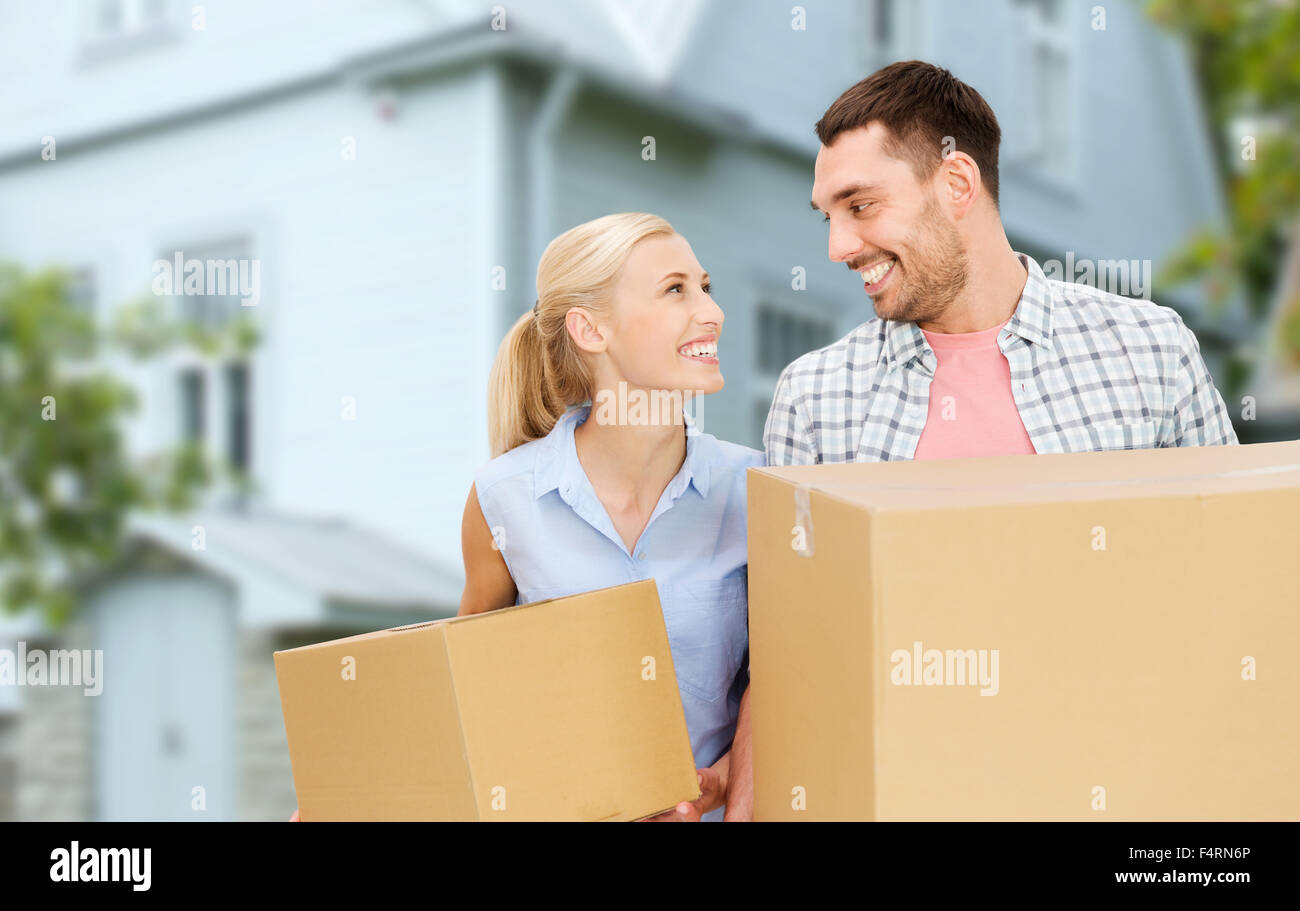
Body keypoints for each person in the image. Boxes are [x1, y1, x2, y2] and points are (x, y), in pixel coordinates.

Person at [460, 212, 762, 822]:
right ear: (590, 329)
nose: (711, 311)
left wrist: (727, 779)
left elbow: (795, 678)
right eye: (676, 290)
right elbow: (466, 690)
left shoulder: (759, 491)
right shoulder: (503, 498)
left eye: (706, 287)